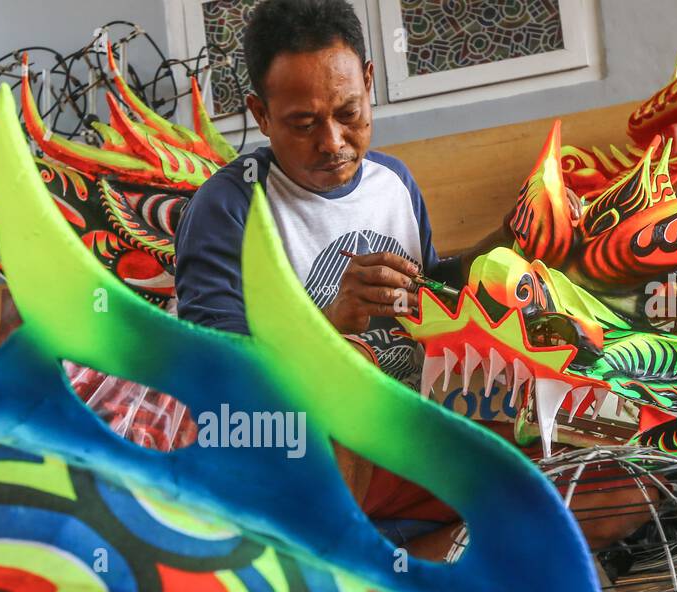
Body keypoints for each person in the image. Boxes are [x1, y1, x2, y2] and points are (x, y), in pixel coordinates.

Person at [174, 0, 478, 560]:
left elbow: (437, 300)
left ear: (367, 82)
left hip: (404, 443)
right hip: (288, 460)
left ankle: (424, 574)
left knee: (551, 390)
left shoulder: (394, 183)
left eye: (349, 112)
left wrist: (514, 242)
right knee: (351, 370)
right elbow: (216, 380)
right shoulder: (230, 209)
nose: (333, 141)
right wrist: (329, 325)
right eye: (303, 123)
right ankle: (327, 575)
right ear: (261, 116)